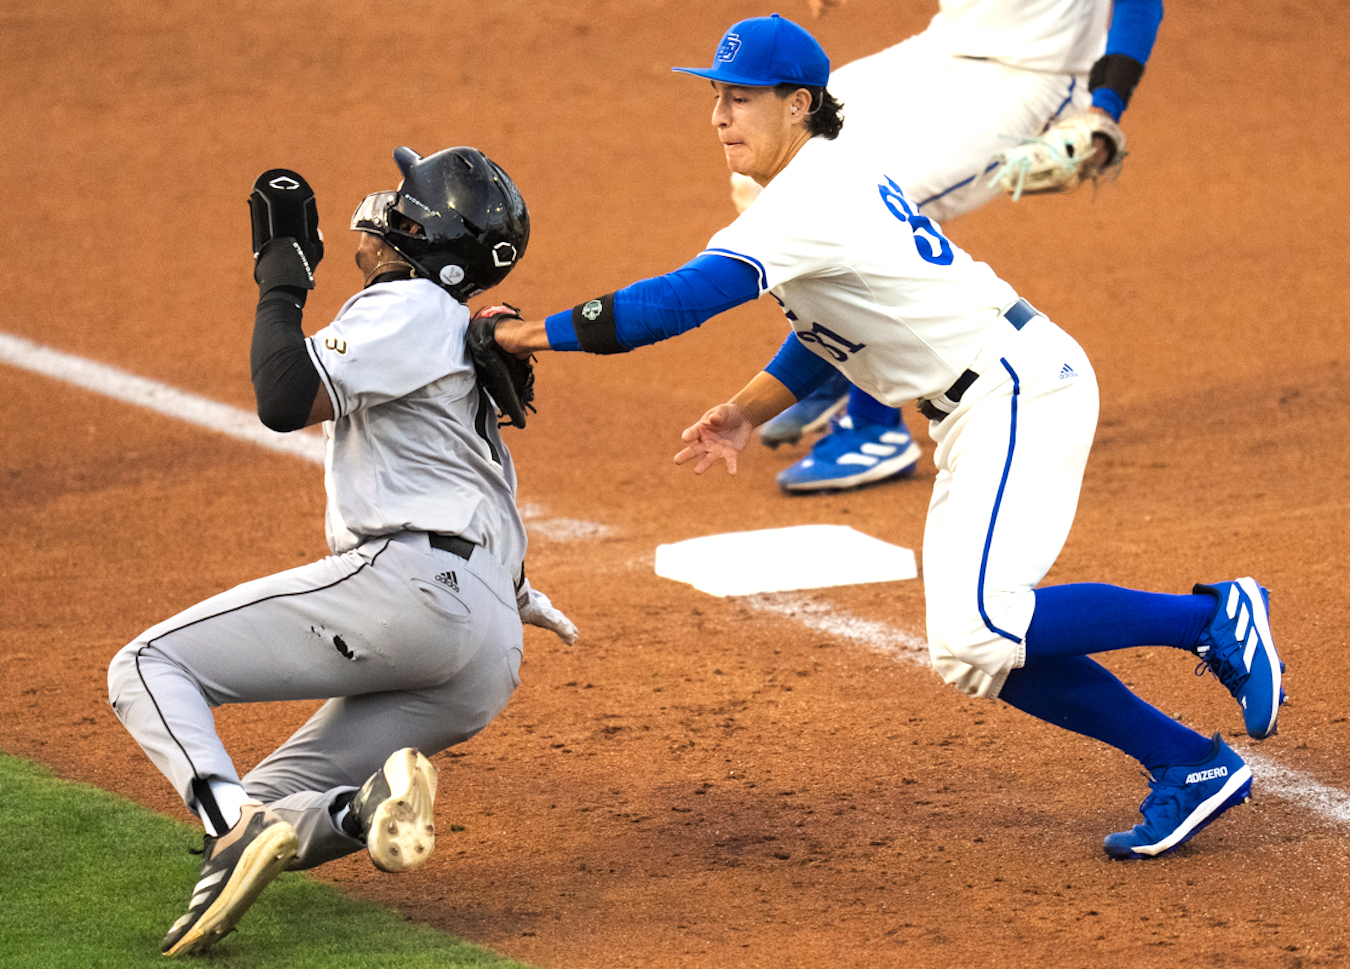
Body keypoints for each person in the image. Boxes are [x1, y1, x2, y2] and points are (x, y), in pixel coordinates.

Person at [484, 14, 1284, 859]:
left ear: (798, 105)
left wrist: (526, 335)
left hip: (1018, 393)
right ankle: (1186, 762)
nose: (720, 117)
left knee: (982, 626)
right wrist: (749, 410)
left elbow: (673, 304)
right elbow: (834, 322)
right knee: (978, 650)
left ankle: (1211, 614)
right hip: (990, 399)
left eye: (740, 99)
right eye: (716, 99)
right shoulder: (818, 177)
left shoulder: (807, 197)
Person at [107, 146, 577, 957]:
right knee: (270, 801)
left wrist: (281, 274)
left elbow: (284, 397)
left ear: (417, 228)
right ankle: (361, 811)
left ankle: (227, 826)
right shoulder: (452, 341)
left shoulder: (410, 306)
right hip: (486, 647)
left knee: (145, 666)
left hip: (415, 593)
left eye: (404, 197)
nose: (385, 205)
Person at [746, 0, 1164, 493]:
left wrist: (1104, 110)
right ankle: (840, 357)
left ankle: (876, 428)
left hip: (1037, 75)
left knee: (885, 203)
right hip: (943, 50)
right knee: (781, 140)